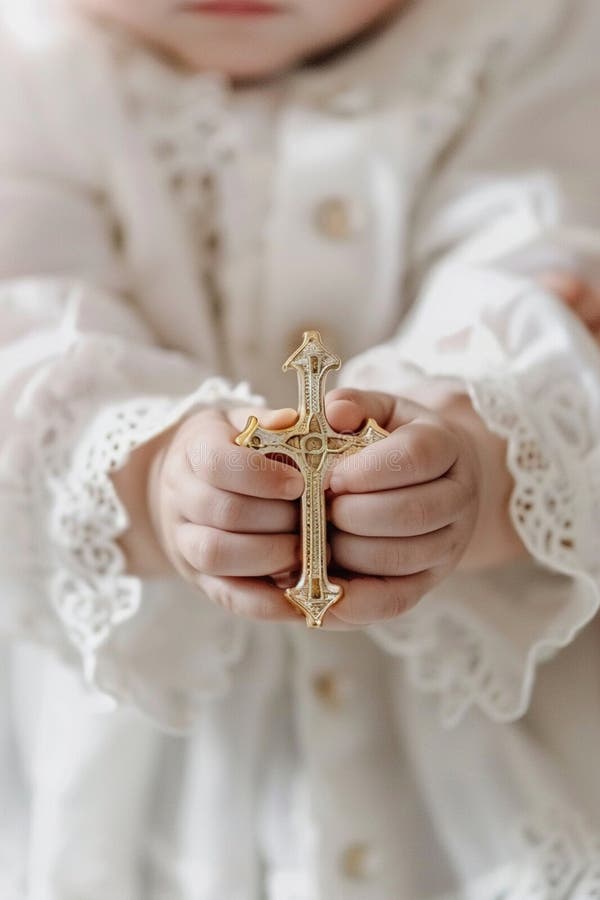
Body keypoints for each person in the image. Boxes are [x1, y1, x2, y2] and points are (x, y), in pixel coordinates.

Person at [1, 0, 600, 897]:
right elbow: (25, 362)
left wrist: (467, 465)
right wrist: (155, 481)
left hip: (479, 778)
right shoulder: (31, 73)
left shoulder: (529, 36)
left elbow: (547, 300)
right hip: (154, 799)